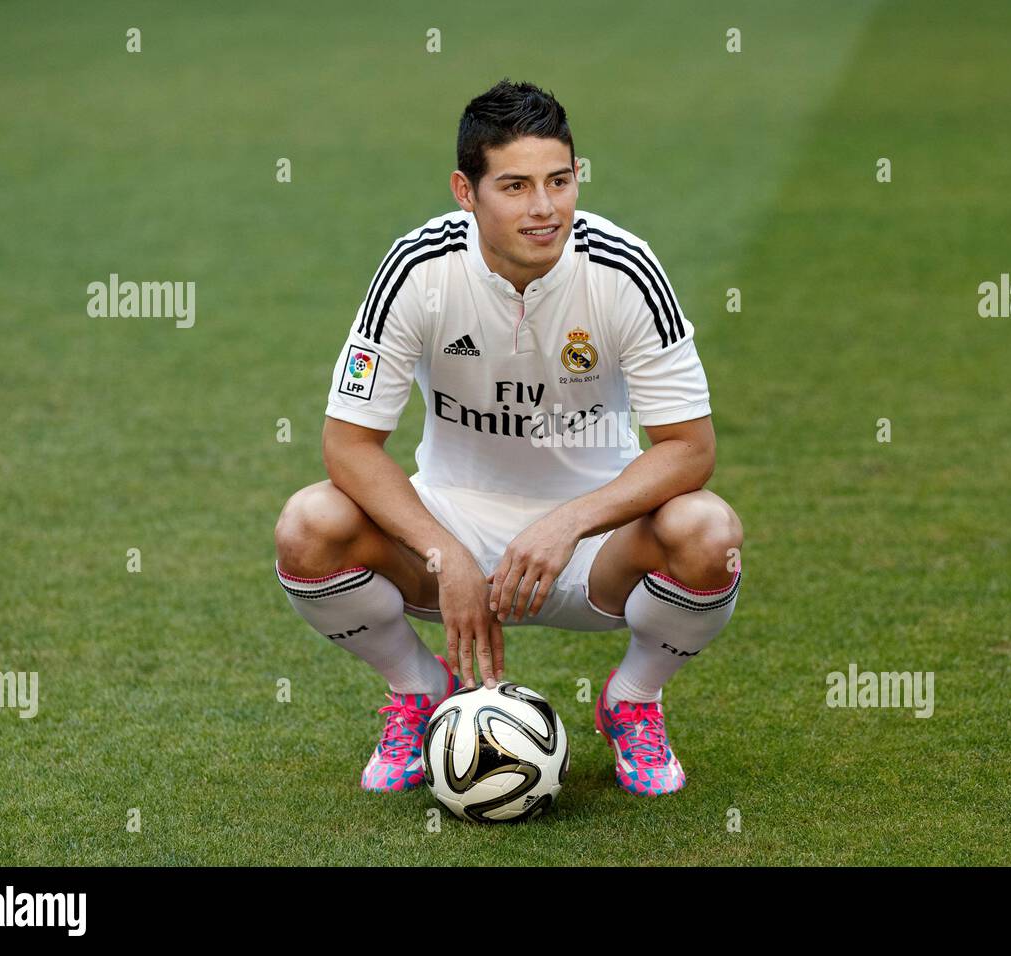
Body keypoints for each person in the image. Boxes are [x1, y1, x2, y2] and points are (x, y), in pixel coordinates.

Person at [274, 79, 742, 797]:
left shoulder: (626, 270)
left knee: (711, 532)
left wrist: (571, 521)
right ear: (467, 191)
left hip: (594, 541)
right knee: (308, 525)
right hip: (452, 524)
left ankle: (634, 704)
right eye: (516, 186)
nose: (545, 207)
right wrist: (443, 548)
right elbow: (348, 445)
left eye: (560, 180)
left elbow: (690, 447)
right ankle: (419, 691)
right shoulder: (417, 270)